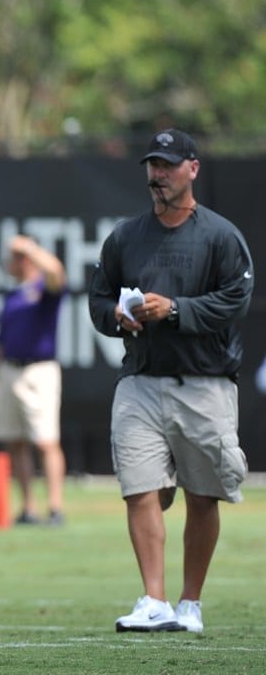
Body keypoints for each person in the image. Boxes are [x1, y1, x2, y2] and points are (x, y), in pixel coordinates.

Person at [88, 128, 252, 634]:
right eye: (152, 165)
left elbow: (236, 301)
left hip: (204, 383)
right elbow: (97, 301)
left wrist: (176, 310)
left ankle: (190, 604)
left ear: (192, 169)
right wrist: (119, 316)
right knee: (139, 489)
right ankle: (152, 600)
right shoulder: (125, 236)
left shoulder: (221, 236)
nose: (157, 174)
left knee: (202, 496)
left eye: (168, 165)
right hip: (140, 380)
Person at [0, 234, 67, 526]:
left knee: (46, 441)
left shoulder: (43, 288)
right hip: (9, 371)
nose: (8, 263)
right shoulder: (12, 296)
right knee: (15, 443)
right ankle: (29, 509)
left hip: (39, 371)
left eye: (12, 257)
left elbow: (57, 273)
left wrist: (30, 248)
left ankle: (55, 507)